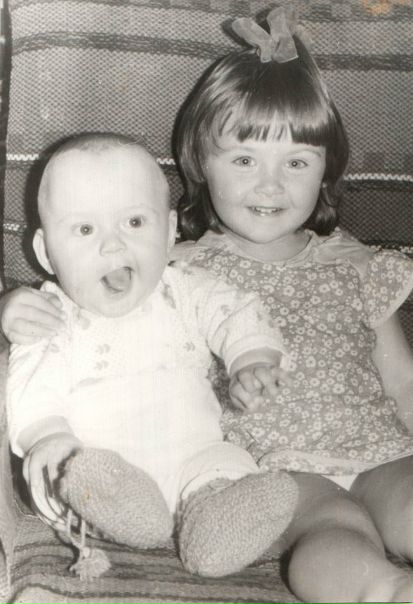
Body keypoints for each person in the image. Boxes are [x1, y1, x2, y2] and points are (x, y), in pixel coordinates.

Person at [3, 7, 413, 601]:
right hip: (277, 469)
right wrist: (11, 303)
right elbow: (81, 286)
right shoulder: (180, 266)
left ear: (327, 168)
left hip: (383, 449)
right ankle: (389, 593)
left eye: (297, 161)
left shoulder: (359, 264)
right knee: (334, 531)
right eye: (244, 159)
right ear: (201, 163)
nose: (270, 184)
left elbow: (403, 381)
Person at [5, 133, 298, 579]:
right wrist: (49, 437)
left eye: (135, 222)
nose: (113, 245)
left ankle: (216, 522)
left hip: (194, 458)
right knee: (64, 478)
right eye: (85, 230)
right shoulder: (49, 315)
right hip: (99, 472)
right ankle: (126, 513)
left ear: (169, 231)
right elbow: (32, 391)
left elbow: (237, 312)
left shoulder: (187, 290)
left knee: (225, 463)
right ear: (46, 252)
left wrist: (250, 359)